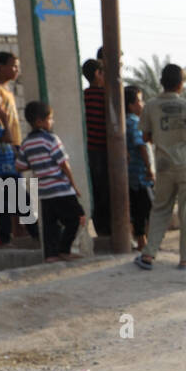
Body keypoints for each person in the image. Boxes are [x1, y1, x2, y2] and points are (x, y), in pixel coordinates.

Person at [135, 64, 186, 270]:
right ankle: (185, 258)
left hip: (163, 164)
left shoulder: (151, 106)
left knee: (161, 209)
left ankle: (148, 254)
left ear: (162, 82)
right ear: (181, 84)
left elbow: (145, 136)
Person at [16, 101, 84, 263]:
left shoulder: (26, 143)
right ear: (40, 121)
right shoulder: (51, 139)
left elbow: (20, 166)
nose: (52, 122)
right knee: (77, 218)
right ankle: (64, 249)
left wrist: (36, 163)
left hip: (45, 190)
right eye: (50, 119)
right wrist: (73, 185)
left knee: (50, 224)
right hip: (61, 187)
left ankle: (51, 255)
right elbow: (63, 164)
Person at [0, 89, 37, 248]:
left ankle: (36, 234)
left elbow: (10, 144)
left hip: (10, 171)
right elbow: (8, 138)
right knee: (2, 209)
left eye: (0, 104)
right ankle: (4, 241)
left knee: (24, 203)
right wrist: (5, 119)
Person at [82, 58, 111, 239]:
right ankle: (108, 229)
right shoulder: (106, 96)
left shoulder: (83, 96)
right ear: (98, 74)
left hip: (91, 151)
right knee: (106, 191)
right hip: (104, 151)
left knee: (97, 191)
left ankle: (102, 230)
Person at [125, 85, 154, 251]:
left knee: (138, 209)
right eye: (140, 101)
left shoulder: (127, 122)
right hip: (141, 175)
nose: (142, 104)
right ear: (131, 105)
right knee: (147, 208)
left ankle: (142, 240)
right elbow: (141, 146)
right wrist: (149, 168)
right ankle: (145, 241)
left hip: (133, 175)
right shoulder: (135, 122)